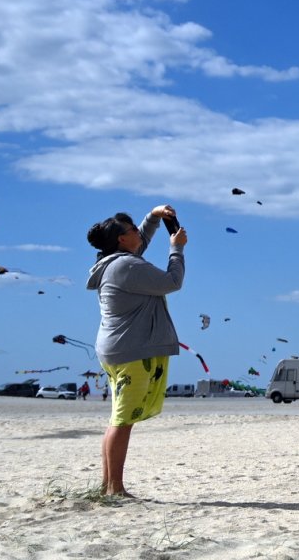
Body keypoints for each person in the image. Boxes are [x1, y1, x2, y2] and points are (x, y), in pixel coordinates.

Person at [86, 204, 187, 499]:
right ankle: (115, 488)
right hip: (130, 351)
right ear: (121, 239)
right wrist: (177, 249)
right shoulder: (127, 266)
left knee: (118, 418)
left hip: (115, 349)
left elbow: (140, 240)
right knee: (122, 421)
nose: (137, 234)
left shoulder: (114, 262)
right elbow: (172, 282)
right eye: (131, 230)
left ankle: (108, 486)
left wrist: (153, 217)